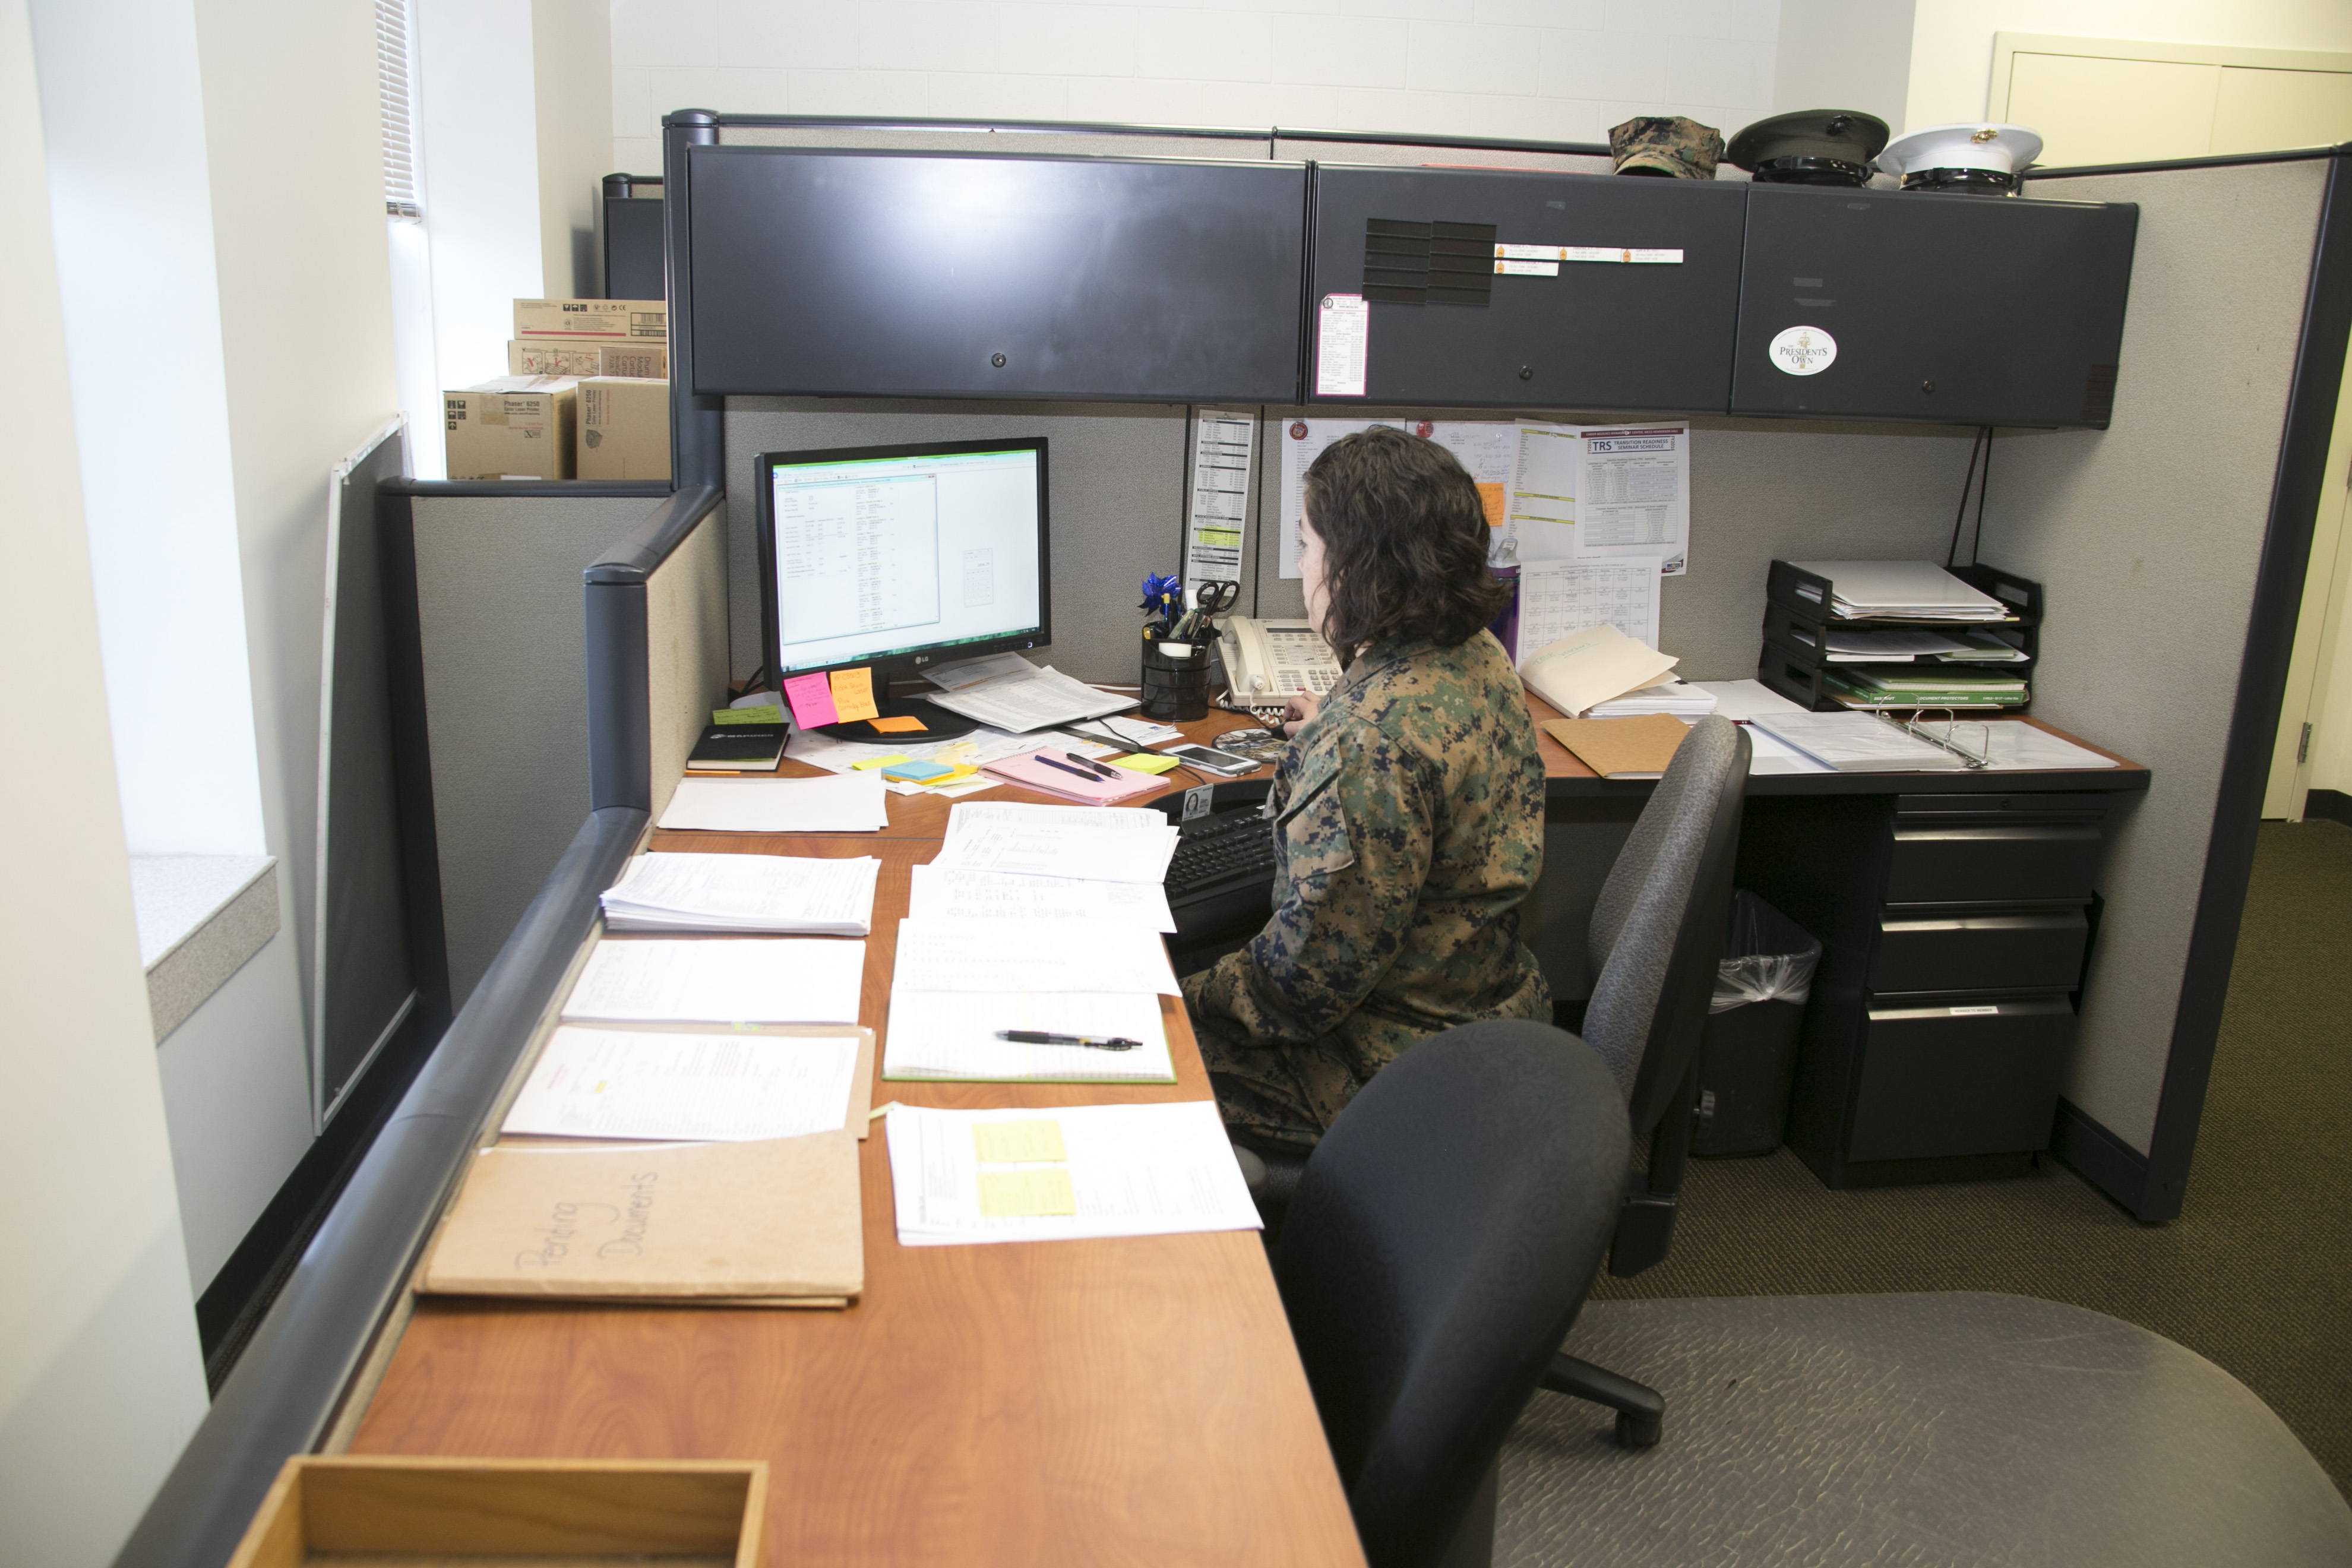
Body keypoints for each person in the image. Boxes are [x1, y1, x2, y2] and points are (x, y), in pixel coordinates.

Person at [1182, 426, 1550, 1152]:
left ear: (1353, 570)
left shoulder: (1369, 744)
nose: (1301, 567)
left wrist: (1165, 997)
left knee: (1128, 1051)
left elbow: (1299, 989)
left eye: (1306, 546)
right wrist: (1333, 741)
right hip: (1489, 1017)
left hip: (1388, 1068)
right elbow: (1418, 758)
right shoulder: (1474, 654)